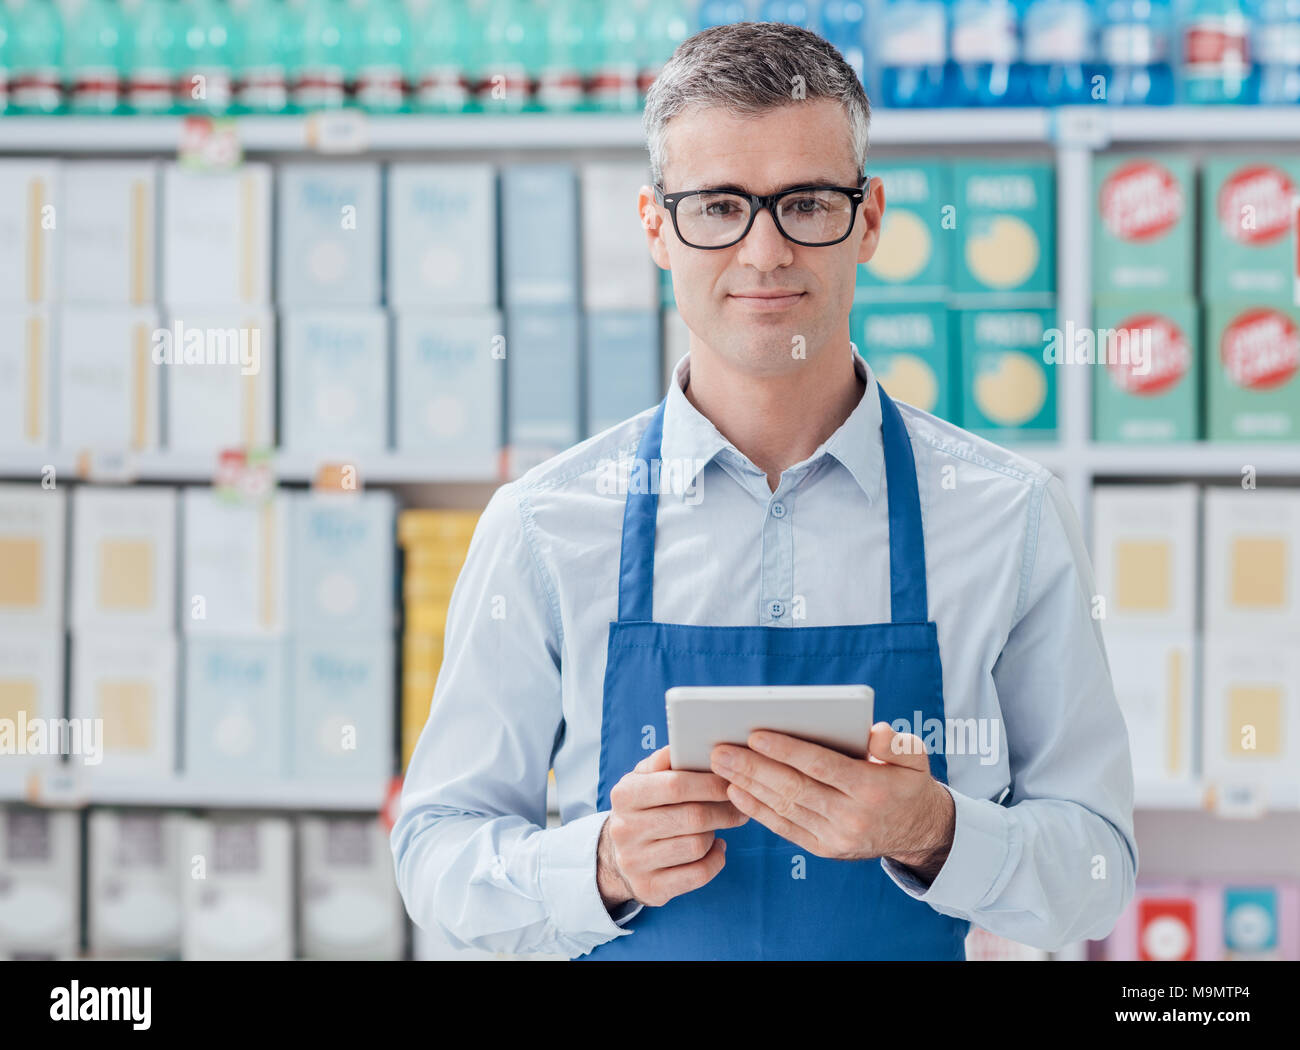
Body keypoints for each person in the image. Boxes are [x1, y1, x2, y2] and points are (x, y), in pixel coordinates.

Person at [392, 21, 1137, 961]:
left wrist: (938, 832)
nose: (764, 251)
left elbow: (1100, 871)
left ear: (866, 221)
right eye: (717, 207)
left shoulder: (1009, 516)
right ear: (657, 227)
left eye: (806, 203)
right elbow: (433, 854)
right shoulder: (544, 526)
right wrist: (604, 866)